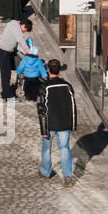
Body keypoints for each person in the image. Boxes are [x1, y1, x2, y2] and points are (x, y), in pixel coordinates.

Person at [37, 58, 77, 187]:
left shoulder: (44, 87)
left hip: (50, 124)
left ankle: (46, 172)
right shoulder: (67, 86)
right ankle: (67, 175)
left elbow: (41, 110)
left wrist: (43, 130)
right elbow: (72, 106)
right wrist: (73, 124)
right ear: (59, 70)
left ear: (48, 70)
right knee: (65, 148)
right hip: (64, 124)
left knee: (46, 148)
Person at [0, 16, 33, 101]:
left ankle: (7, 90)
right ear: (23, 25)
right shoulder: (17, 29)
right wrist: (28, 51)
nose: (24, 32)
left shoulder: (14, 23)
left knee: (8, 71)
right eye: (25, 30)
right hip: (3, 51)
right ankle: (6, 95)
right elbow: (20, 40)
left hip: (6, 51)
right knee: (6, 73)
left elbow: (16, 41)